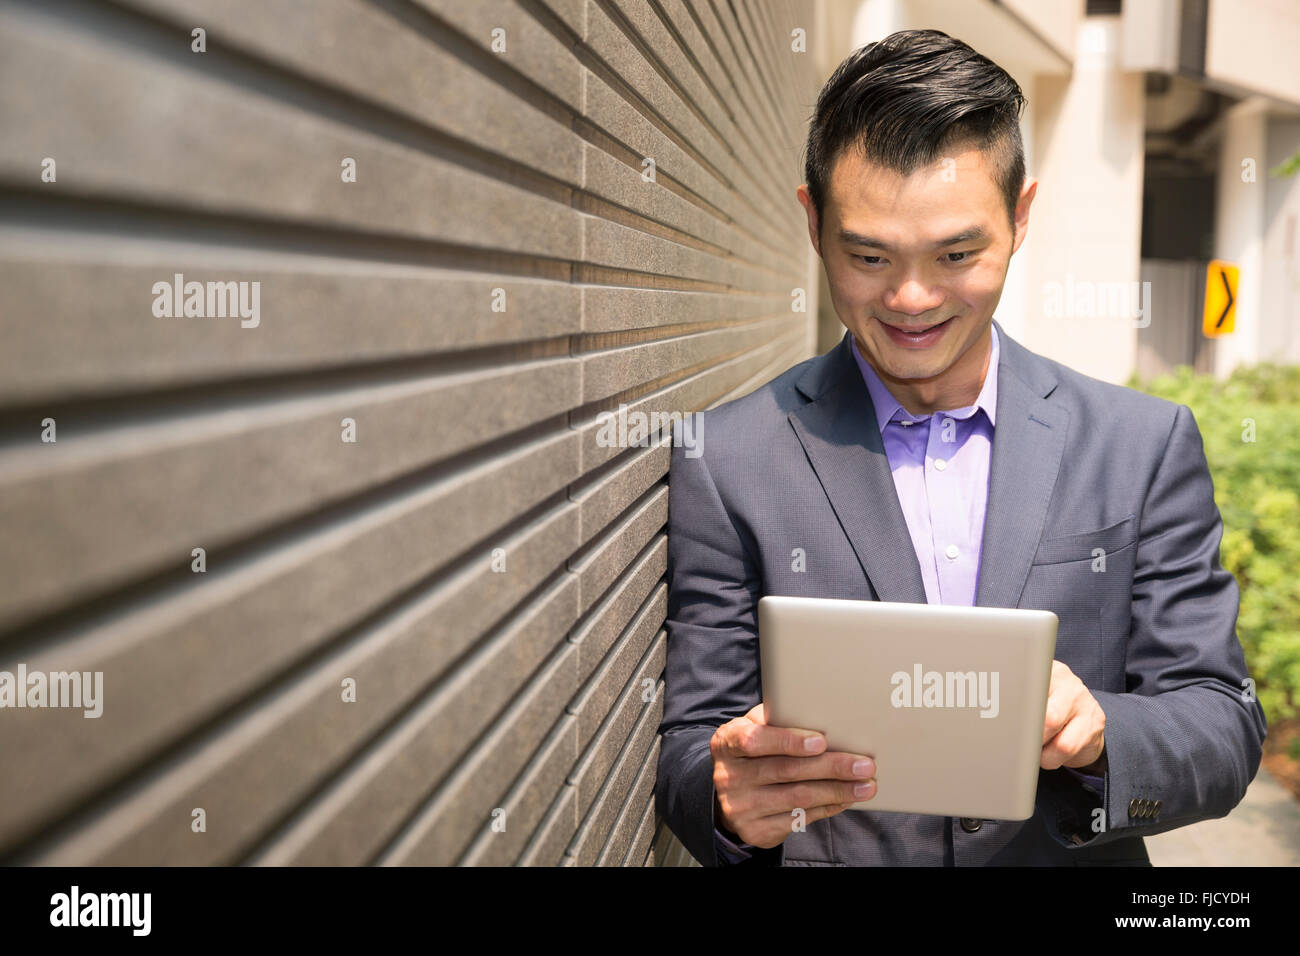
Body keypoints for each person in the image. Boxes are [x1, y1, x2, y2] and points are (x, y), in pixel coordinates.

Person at [654, 28, 1267, 866]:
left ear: (1019, 219)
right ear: (812, 221)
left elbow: (1222, 723)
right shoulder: (727, 458)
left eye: (956, 254)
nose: (911, 299)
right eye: (868, 255)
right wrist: (729, 804)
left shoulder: (1140, 445)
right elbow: (694, 745)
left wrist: (1101, 732)